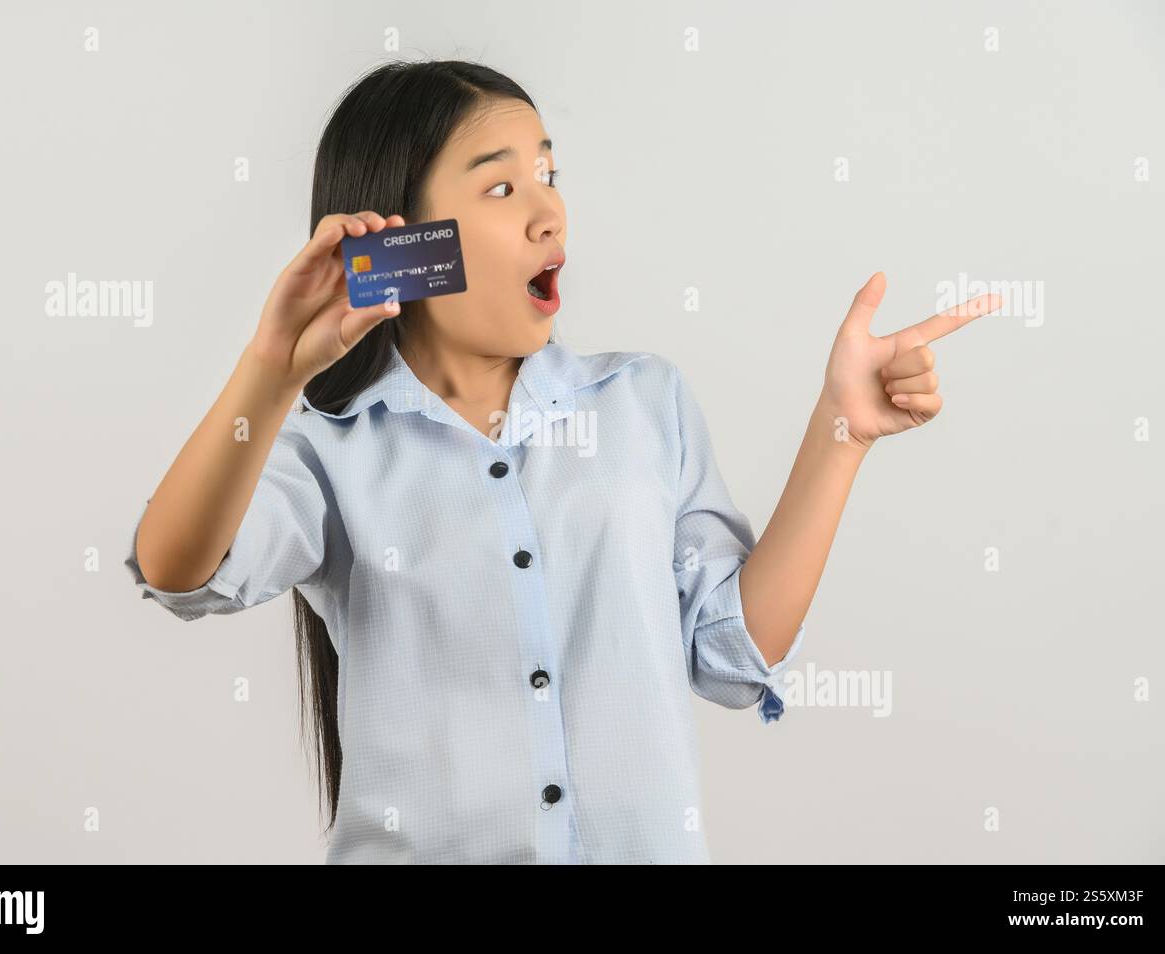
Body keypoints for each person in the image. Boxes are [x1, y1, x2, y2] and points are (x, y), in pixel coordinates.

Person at [124, 59, 999, 864]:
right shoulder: (329, 445)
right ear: (399, 243)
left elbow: (733, 654)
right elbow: (177, 569)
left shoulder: (643, 405)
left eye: (549, 175)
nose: (550, 212)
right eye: (502, 186)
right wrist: (272, 372)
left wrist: (842, 431)